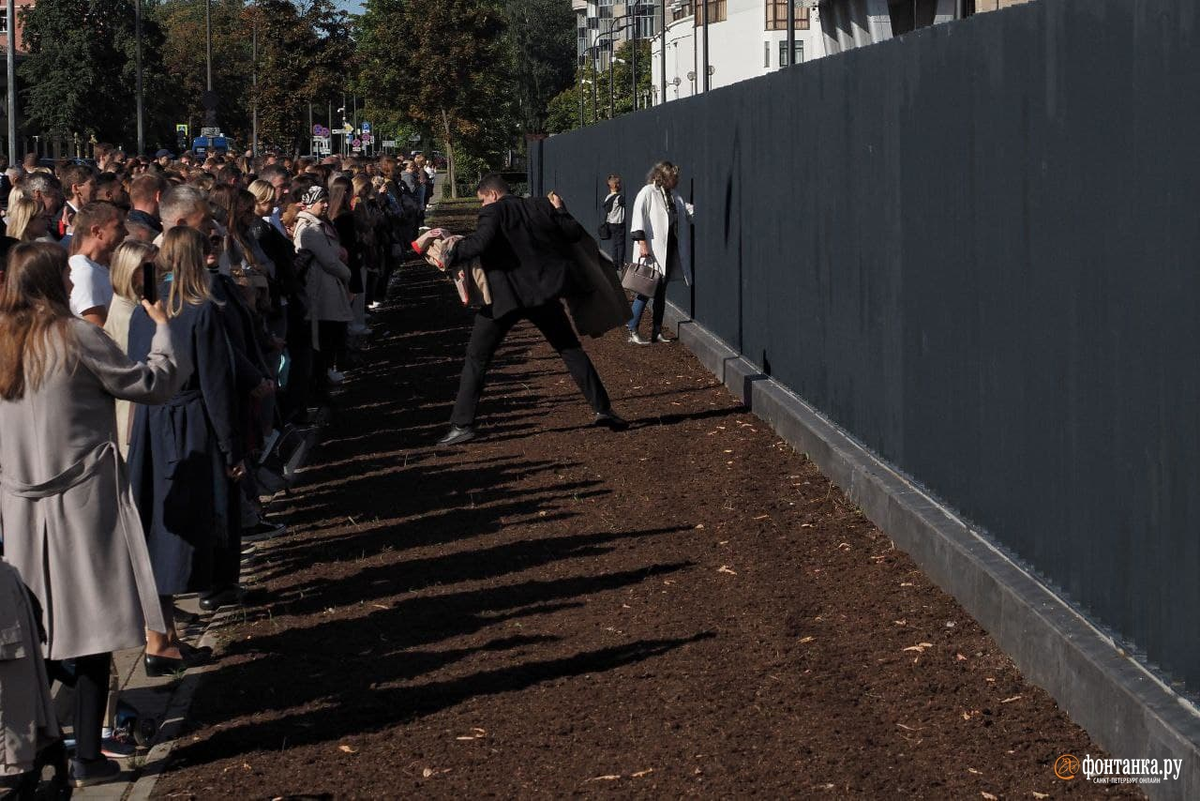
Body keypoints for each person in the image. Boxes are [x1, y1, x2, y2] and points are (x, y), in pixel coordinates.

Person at [0, 242, 177, 787]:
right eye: (65, 278)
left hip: (17, 507)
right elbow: (152, 384)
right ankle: (87, 757)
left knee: (35, 633)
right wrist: (162, 329)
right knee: (93, 628)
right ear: (52, 284)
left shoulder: (3, 345)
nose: (76, 286)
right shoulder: (78, 337)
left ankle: (35, 745)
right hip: (82, 501)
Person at [439, 174, 627, 446]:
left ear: (491, 195)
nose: (482, 206)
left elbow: (479, 243)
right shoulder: (541, 205)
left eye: (481, 200)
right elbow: (573, 233)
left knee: (477, 358)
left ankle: (462, 424)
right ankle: (603, 409)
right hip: (543, 295)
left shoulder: (493, 211)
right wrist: (560, 209)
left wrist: (450, 252)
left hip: (504, 299)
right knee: (570, 350)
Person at [127, 227, 242, 667]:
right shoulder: (200, 310)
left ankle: (163, 634)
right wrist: (232, 450)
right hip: (189, 425)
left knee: (158, 526)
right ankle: (159, 642)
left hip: (150, 425)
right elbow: (216, 385)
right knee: (176, 538)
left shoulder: (147, 311)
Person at [627, 161, 694, 345]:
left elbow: (685, 211)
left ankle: (656, 331)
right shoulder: (648, 192)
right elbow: (638, 217)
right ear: (664, 176)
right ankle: (632, 328)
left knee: (660, 292)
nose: (677, 180)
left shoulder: (673, 196)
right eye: (674, 176)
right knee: (645, 289)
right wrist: (642, 243)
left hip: (668, 251)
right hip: (652, 250)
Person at [293, 186, 352, 386]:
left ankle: (325, 373)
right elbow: (329, 261)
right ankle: (321, 378)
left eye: (327, 201)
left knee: (328, 336)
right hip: (320, 290)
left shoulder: (317, 226)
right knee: (324, 338)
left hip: (326, 287)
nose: (326, 205)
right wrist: (347, 273)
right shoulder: (309, 229)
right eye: (321, 202)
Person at [104, 240, 158, 458]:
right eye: (149, 268)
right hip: (132, 416)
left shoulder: (134, 308)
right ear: (132, 271)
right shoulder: (127, 316)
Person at [68, 201, 126, 326]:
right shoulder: (84, 273)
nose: (126, 232)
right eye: (118, 227)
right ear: (97, 231)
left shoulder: (102, 266)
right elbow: (99, 330)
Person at [602, 174, 625, 270]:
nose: (621, 185)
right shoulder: (620, 198)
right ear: (616, 185)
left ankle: (615, 263)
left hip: (610, 224)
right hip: (619, 224)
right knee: (620, 244)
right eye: (619, 183)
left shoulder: (607, 198)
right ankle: (620, 264)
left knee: (614, 244)